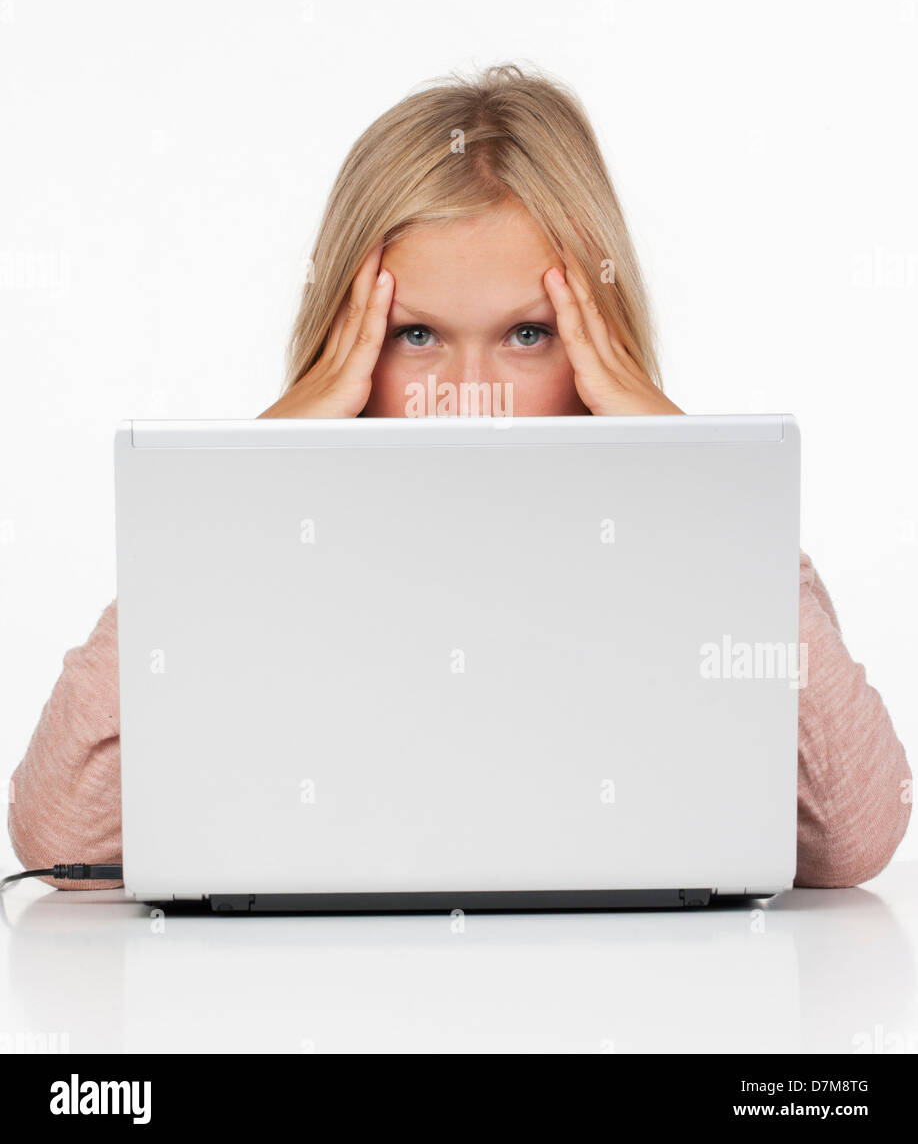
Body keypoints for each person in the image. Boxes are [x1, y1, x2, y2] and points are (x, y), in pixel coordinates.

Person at [7, 64, 912, 891]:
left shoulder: (677, 560)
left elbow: (855, 837)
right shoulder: (278, 558)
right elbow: (60, 838)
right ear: (343, 346)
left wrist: (703, 490)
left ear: (602, 342)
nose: (470, 396)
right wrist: (238, 491)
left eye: (528, 335)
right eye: (417, 335)